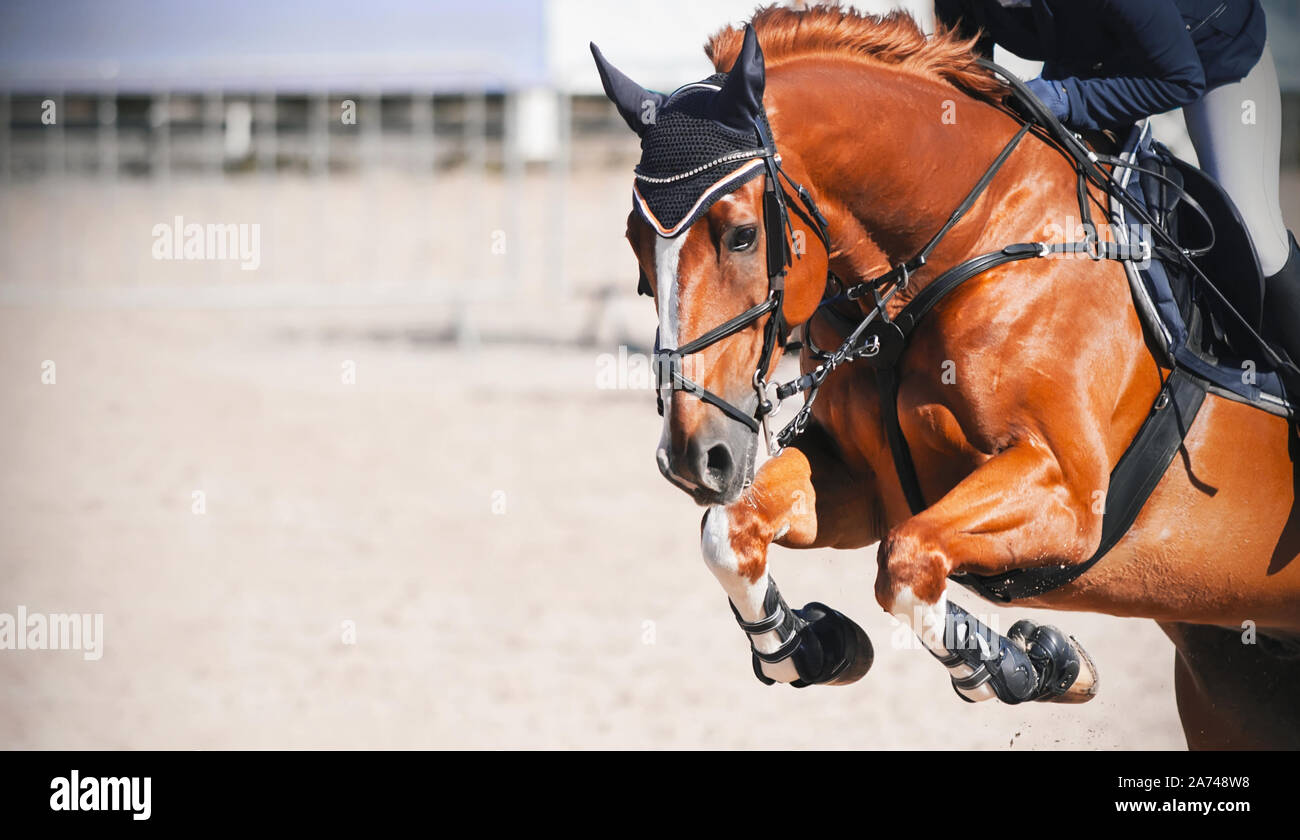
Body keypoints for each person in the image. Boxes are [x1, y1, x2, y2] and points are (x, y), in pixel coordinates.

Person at [935, 0, 1299, 367]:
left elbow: (1181, 79)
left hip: (1209, 55)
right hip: (1094, 58)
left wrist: (1066, 98)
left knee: (1256, 237)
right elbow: (965, 80)